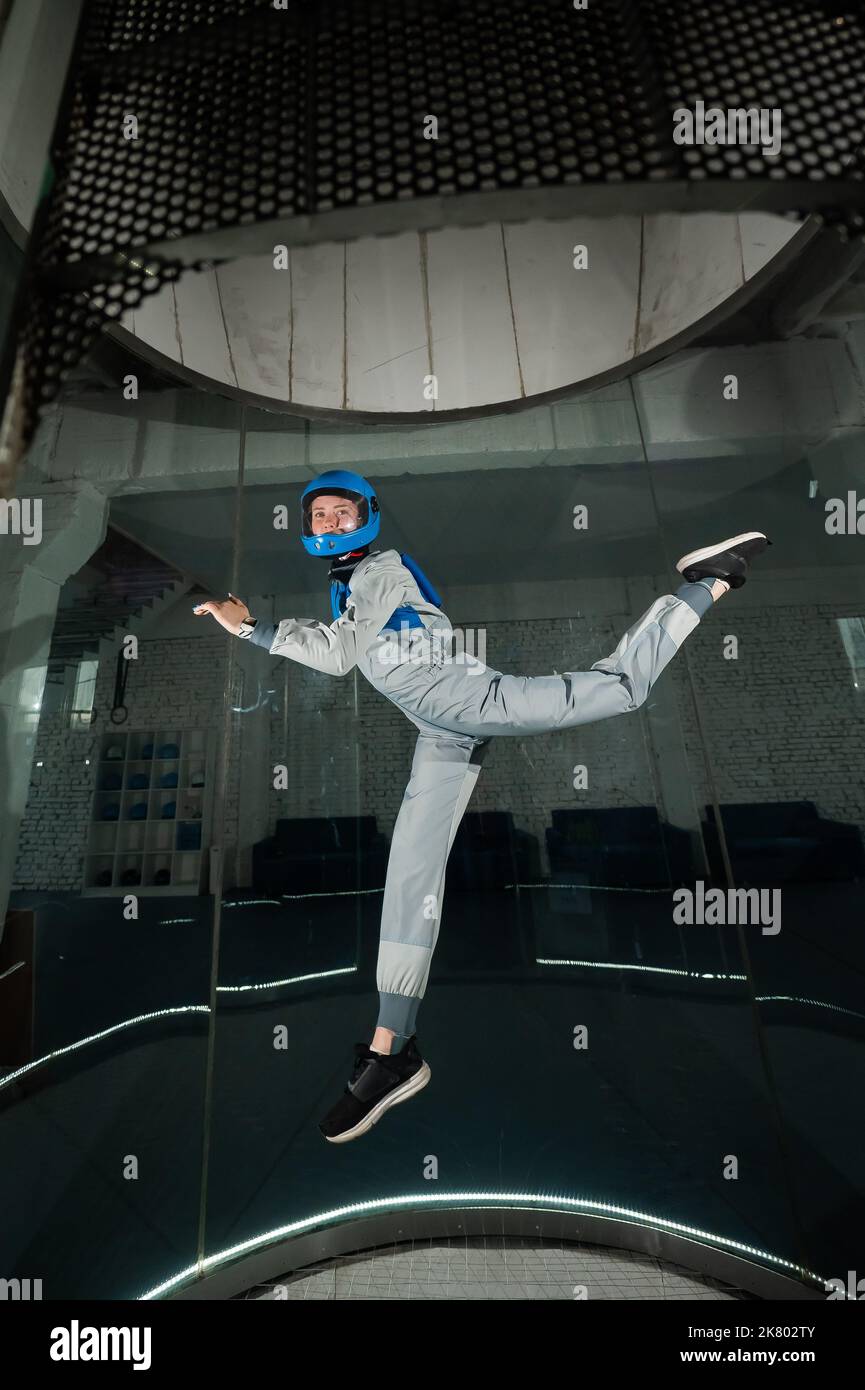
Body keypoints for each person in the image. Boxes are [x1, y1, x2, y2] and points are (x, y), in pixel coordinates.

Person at [194, 469, 770, 1144]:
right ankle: (391, 1051)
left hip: (474, 704)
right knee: (410, 875)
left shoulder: (379, 570)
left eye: (339, 513)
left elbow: (340, 656)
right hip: (442, 727)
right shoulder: (349, 583)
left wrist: (253, 629)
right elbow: (371, 644)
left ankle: (709, 579)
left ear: (366, 518)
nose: (326, 522)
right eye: (317, 515)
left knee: (618, 688)